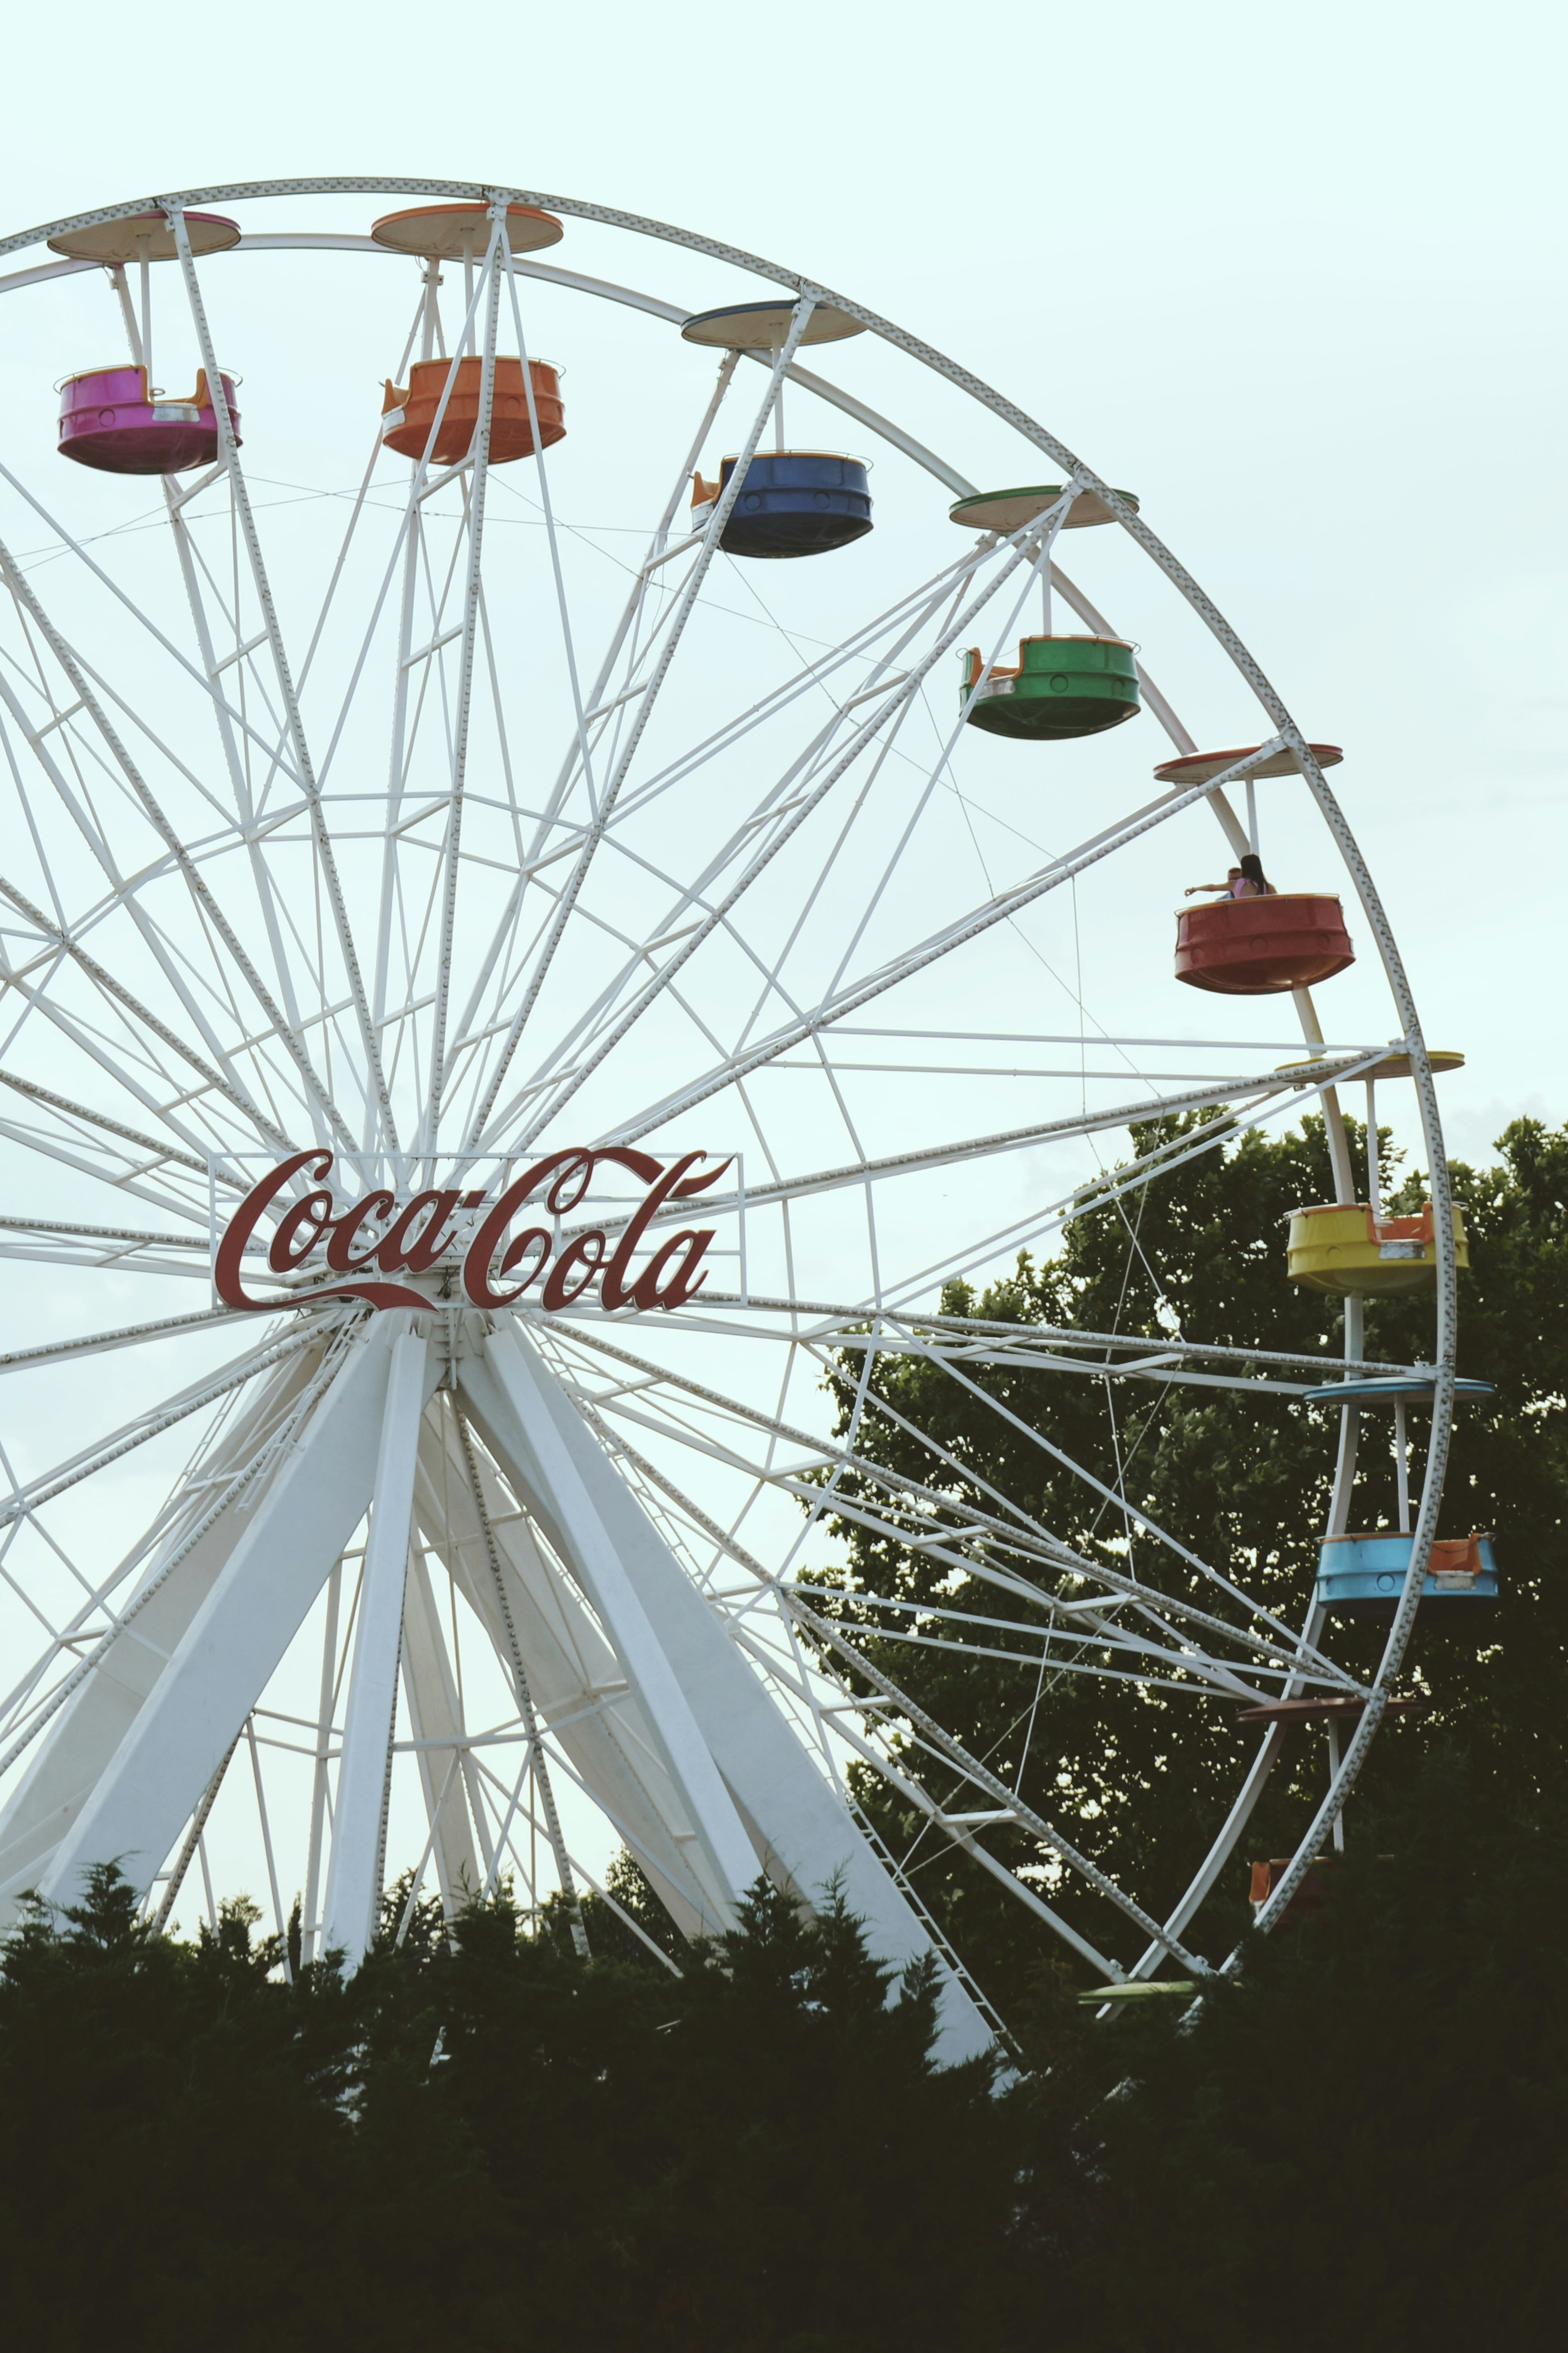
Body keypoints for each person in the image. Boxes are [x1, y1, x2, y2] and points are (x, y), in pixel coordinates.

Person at [1185, 855, 1275, 899]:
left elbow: (1212, 887)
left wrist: (1194, 889)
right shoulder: (1268, 887)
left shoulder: (1235, 884)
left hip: (1243, 920)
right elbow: (1280, 903)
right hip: (1261, 921)